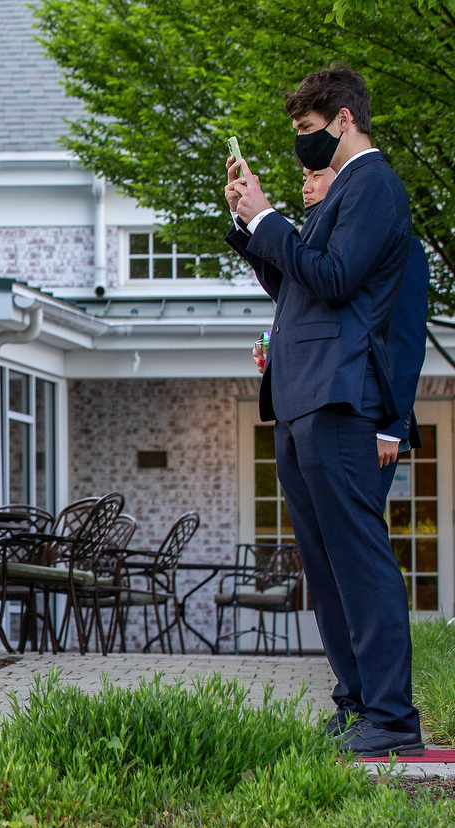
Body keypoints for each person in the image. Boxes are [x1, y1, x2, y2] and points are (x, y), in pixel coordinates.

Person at [224, 66, 423, 757]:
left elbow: (336, 281)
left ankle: (392, 719)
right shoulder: (334, 202)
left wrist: (270, 220)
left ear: (343, 119)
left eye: (307, 131)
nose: (301, 145)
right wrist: (251, 221)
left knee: (359, 559)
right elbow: (300, 287)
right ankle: (356, 702)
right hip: (301, 396)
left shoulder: (373, 185)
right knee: (326, 564)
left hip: (341, 397)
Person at [252, 165, 429, 505]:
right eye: (304, 178)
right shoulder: (321, 256)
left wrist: (391, 429)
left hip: (368, 421)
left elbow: (405, 343)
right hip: (314, 412)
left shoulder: (403, 249)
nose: (306, 187)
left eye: (316, 176)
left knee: (357, 543)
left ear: (349, 183)